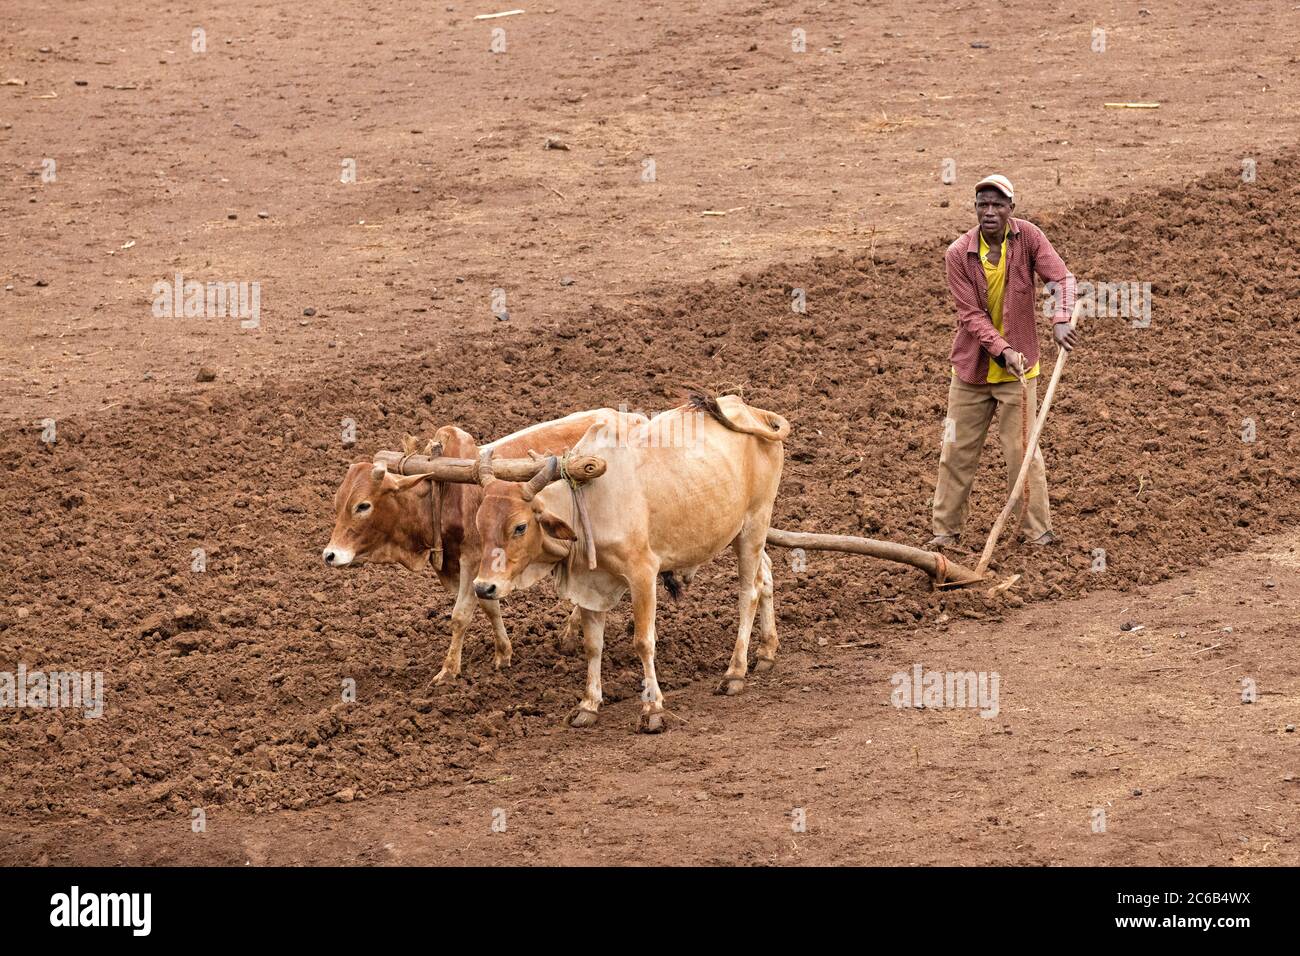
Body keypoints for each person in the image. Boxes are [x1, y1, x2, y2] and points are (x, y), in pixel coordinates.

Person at [927, 174, 1078, 550]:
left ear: (1011, 208)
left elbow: (1062, 279)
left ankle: (1036, 532)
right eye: (983, 205)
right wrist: (1002, 349)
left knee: (1022, 453)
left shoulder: (1028, 238)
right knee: (956, 450)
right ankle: (945, 532)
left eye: (997, 205)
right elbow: (971, 316)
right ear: (975, 209)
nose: (989, 212)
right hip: (972, 371)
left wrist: (1060, 319)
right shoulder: (958, 253)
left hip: (1020, 371)